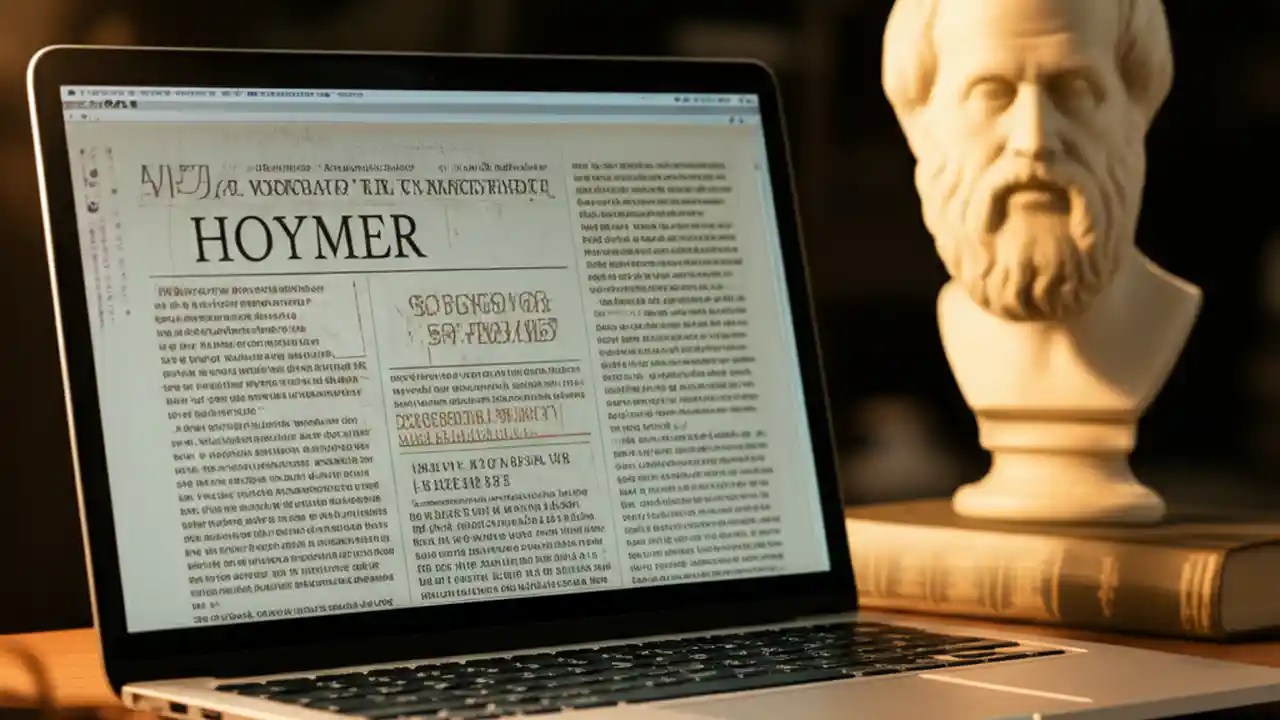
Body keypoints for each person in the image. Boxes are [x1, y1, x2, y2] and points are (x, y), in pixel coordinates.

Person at [880, 0, 1201, 522]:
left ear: (1136, 112)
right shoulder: (953, 322)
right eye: (990, 94)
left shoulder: (1163, 317)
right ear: (920, 124)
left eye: (1075, 90)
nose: (1034, 141)